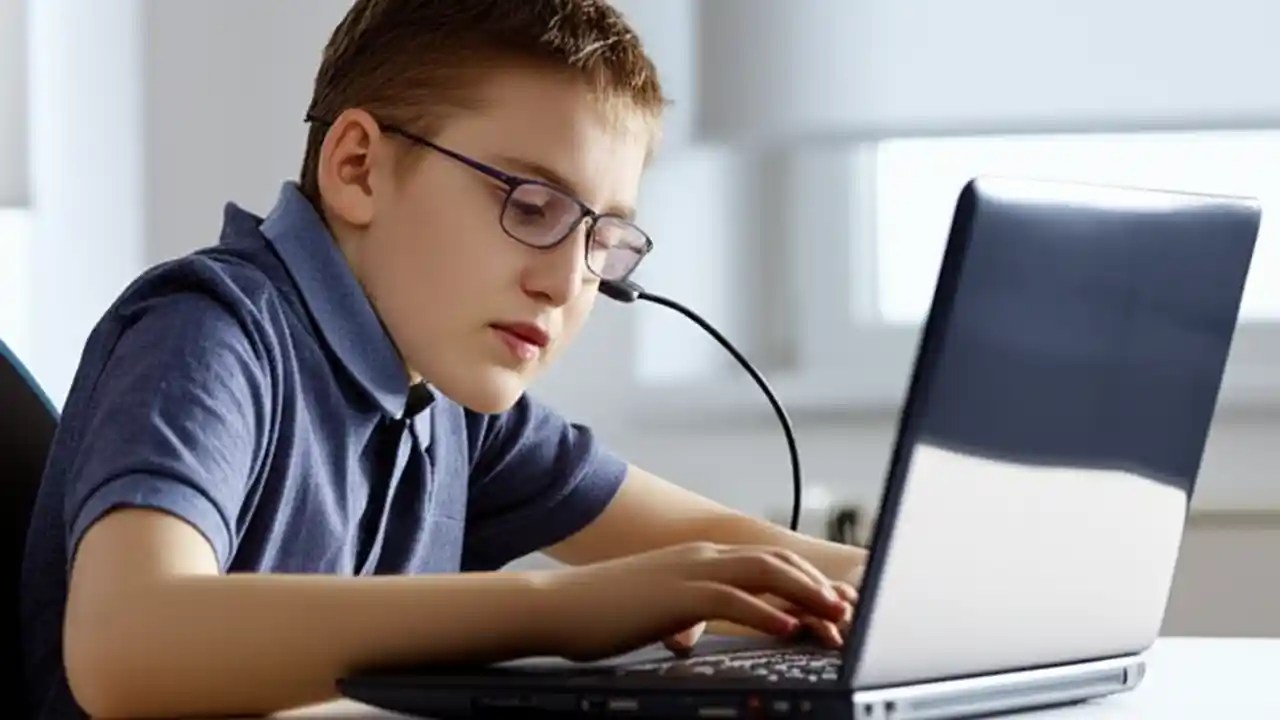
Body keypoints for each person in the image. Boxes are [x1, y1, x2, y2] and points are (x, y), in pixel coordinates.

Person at [19, 1, 867, 718]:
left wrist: (946, 592)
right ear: (358, 168)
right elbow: (124, 642)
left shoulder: (448, 401)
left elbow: (727, 555)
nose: (567, 280)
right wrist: (560, 611)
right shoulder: (214, 335)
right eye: (532, 205)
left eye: (602, 240)